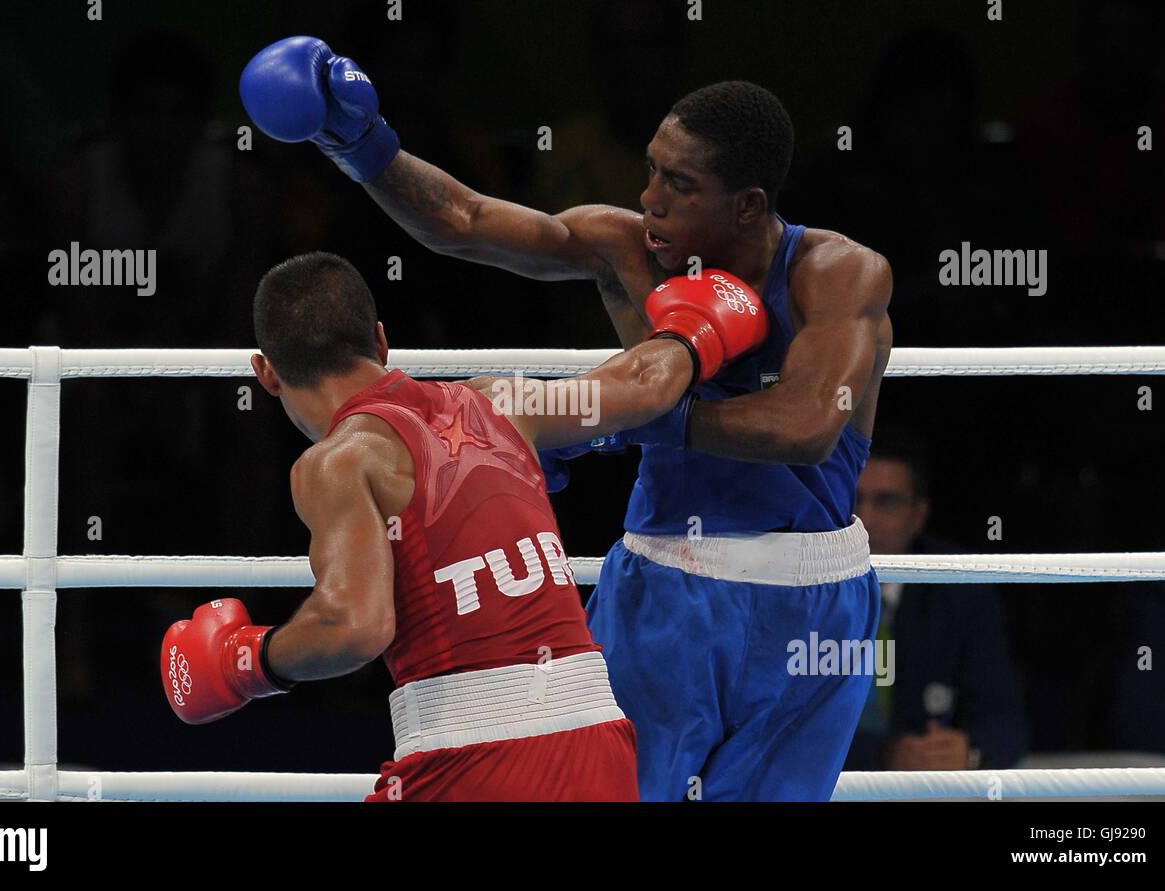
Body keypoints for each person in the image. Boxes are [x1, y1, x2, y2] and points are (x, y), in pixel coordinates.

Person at [239, 35, 893, 800]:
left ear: (747, 204)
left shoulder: (838, 272)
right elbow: (464, 220)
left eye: (679, 184)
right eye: (651, 167)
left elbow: (809, 425)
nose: (650, 196)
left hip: (817, 592)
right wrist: (360, 142)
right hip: (671, 581)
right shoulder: (627, 247)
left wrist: (614, 418)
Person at [159, 251, 770, 801]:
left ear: (266, 372)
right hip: (600, 742)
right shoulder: (500, 402)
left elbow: (355, 626)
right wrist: (700, 330)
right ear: (381, 340)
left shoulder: (336, 461)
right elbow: (642, 385)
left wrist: (248, 661)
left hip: (469, 757)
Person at [844, 433, 1028, 772]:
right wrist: (879, 756)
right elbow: (779, 718)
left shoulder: (959, 584)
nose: (864, 519)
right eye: (852, 500)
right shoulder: (800, 587)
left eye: (886, 502)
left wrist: (969, 753)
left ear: (918, 515)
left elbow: (1004, 717)